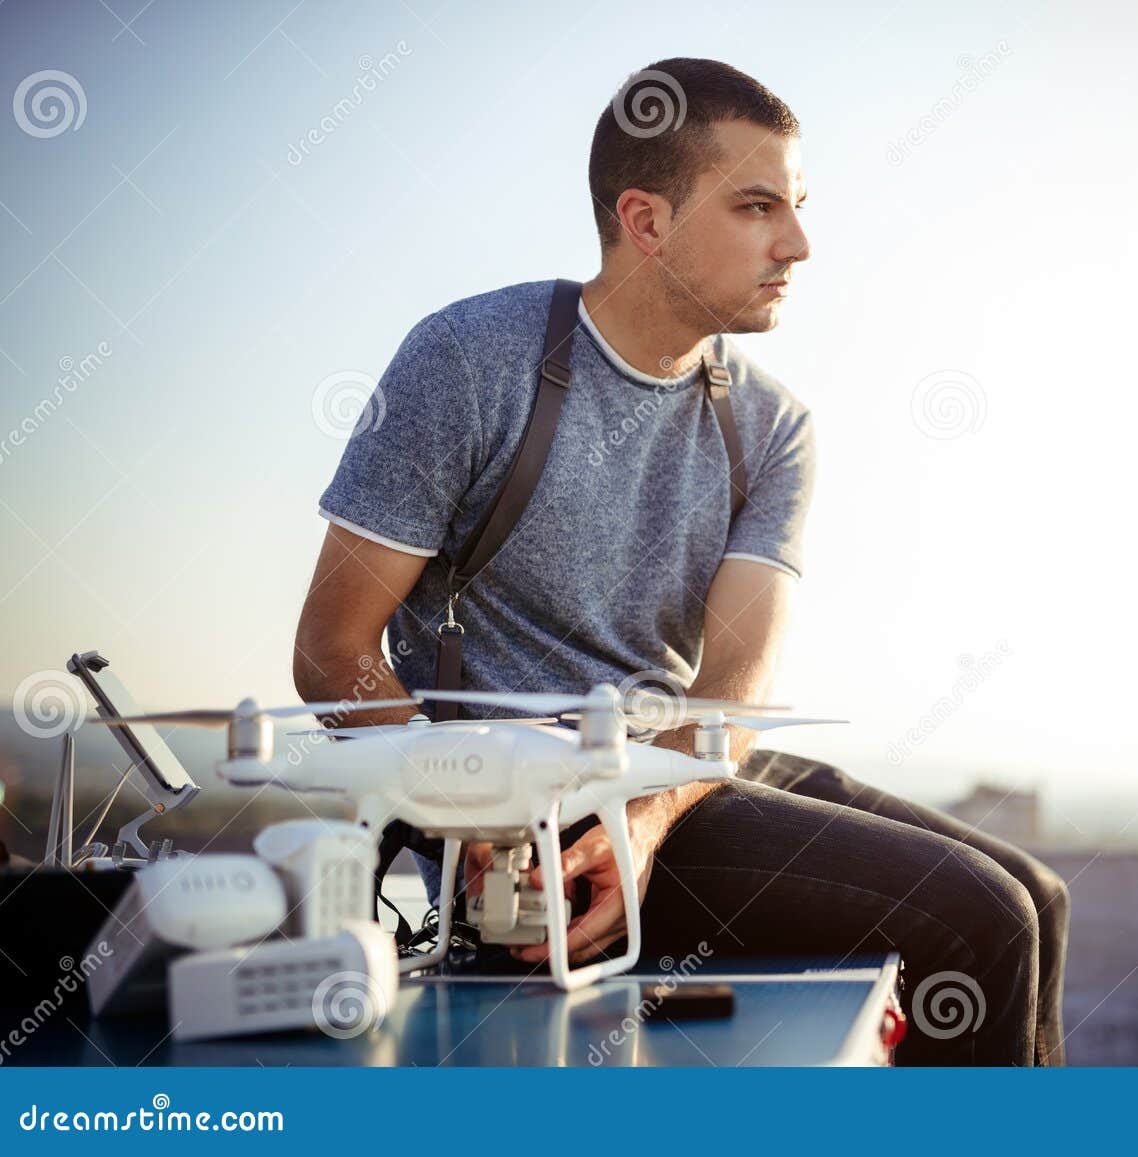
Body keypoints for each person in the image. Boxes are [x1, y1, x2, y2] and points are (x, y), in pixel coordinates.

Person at [293, 57, 1067, 1066]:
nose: (797, 243)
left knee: (1036, 896)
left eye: (795, 206)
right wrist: (469, 818)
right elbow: (331, 651)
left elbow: (733, 688)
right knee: (984, 919)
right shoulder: (470, 360)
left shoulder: (772, 423)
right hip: (525, 808)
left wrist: (652, 816)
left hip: (680, 767)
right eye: (756, 208)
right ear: (645, 221)